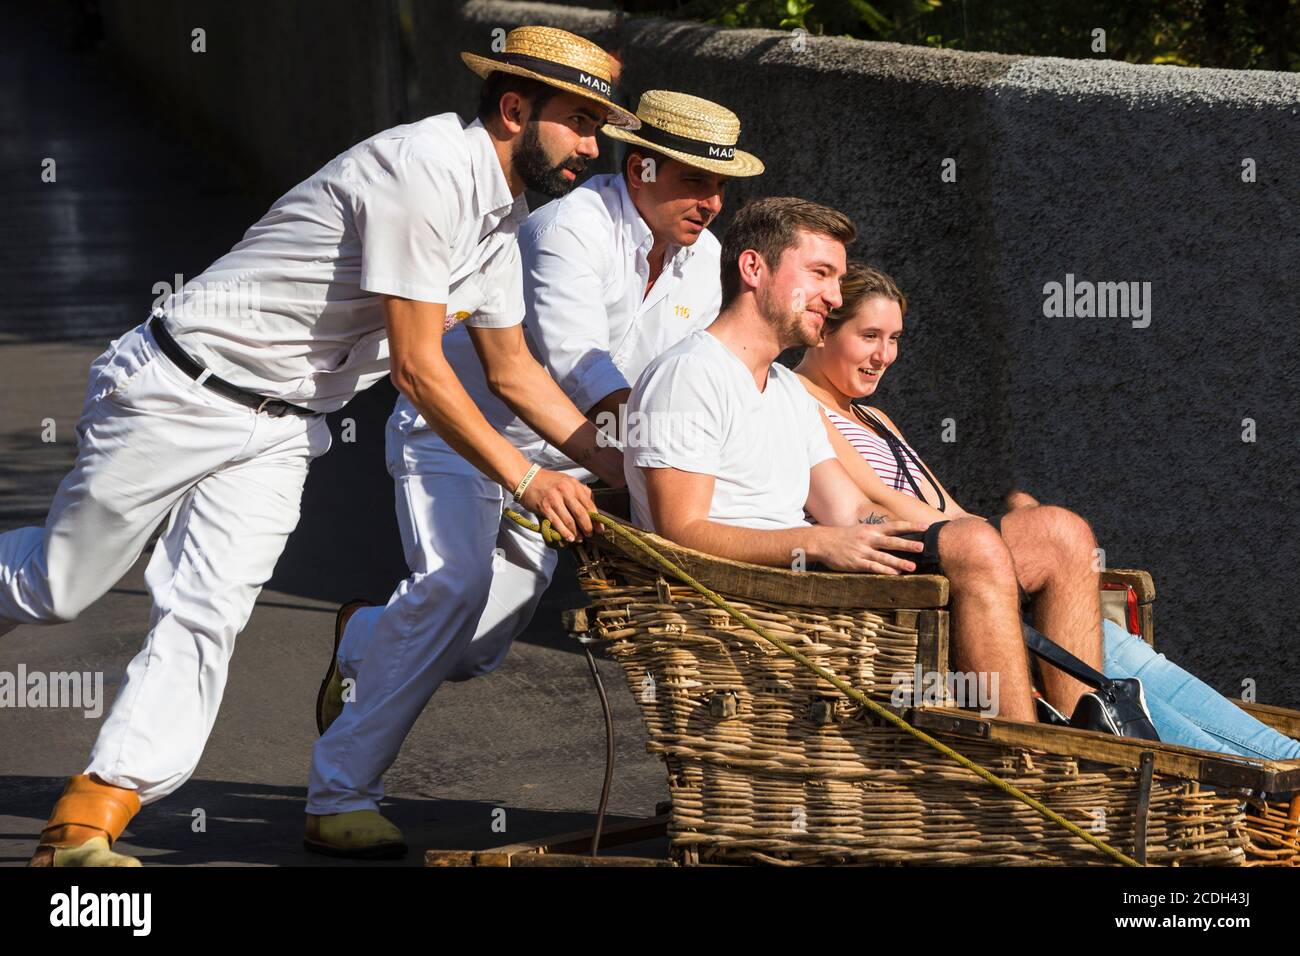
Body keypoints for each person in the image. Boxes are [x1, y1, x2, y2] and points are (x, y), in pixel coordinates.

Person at [5, 24, 638, 867]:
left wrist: (618, 468)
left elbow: (515, 370)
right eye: (581, 124)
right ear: (515, 109)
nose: (593, 149)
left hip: (276, 428)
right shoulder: (428, 173)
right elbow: (418, 370)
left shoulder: (501, 217)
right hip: (175, 391)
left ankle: (89, 819)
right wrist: (528, 478)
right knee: (59, 587)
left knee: (208, 612)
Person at [305, 90, 766, 857]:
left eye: (722, 187)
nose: (712, 203)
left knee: (474, 647)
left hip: (564, 463)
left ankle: (363, 636)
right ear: (642, 165)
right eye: (695, 181)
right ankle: (340, 792)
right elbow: (582, 368)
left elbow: (695, 376)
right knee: (453, 588)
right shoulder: (566, 228)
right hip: (458, 437)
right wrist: (648, 471)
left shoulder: (705, 262)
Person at [791, 260, 1300, 760]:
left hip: (958, 551)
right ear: (823, 333)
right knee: (1059, 534)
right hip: (915, 569)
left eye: (895, 338)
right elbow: (881, 506)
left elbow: (944, 504)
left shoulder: (873, 417)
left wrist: (1001, 530)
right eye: (870, 336)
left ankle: (1277, 763)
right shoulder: (807, 406)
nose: (884, 355)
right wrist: (1005, 535)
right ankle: (1124, 755)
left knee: (1117, 649)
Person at [623, 196, 1099, 728]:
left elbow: (848, 510)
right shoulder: (689, 374)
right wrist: (817, 542)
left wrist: (933, 536)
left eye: (838, 277)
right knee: (979, 547)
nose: (832, 295)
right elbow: (679, 532)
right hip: (754, 604)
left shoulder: (783, 388)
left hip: (813, 580)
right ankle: (1025, 760)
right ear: (753, 267)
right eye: (820, 274)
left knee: (1048, 533)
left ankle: (1086, 731)